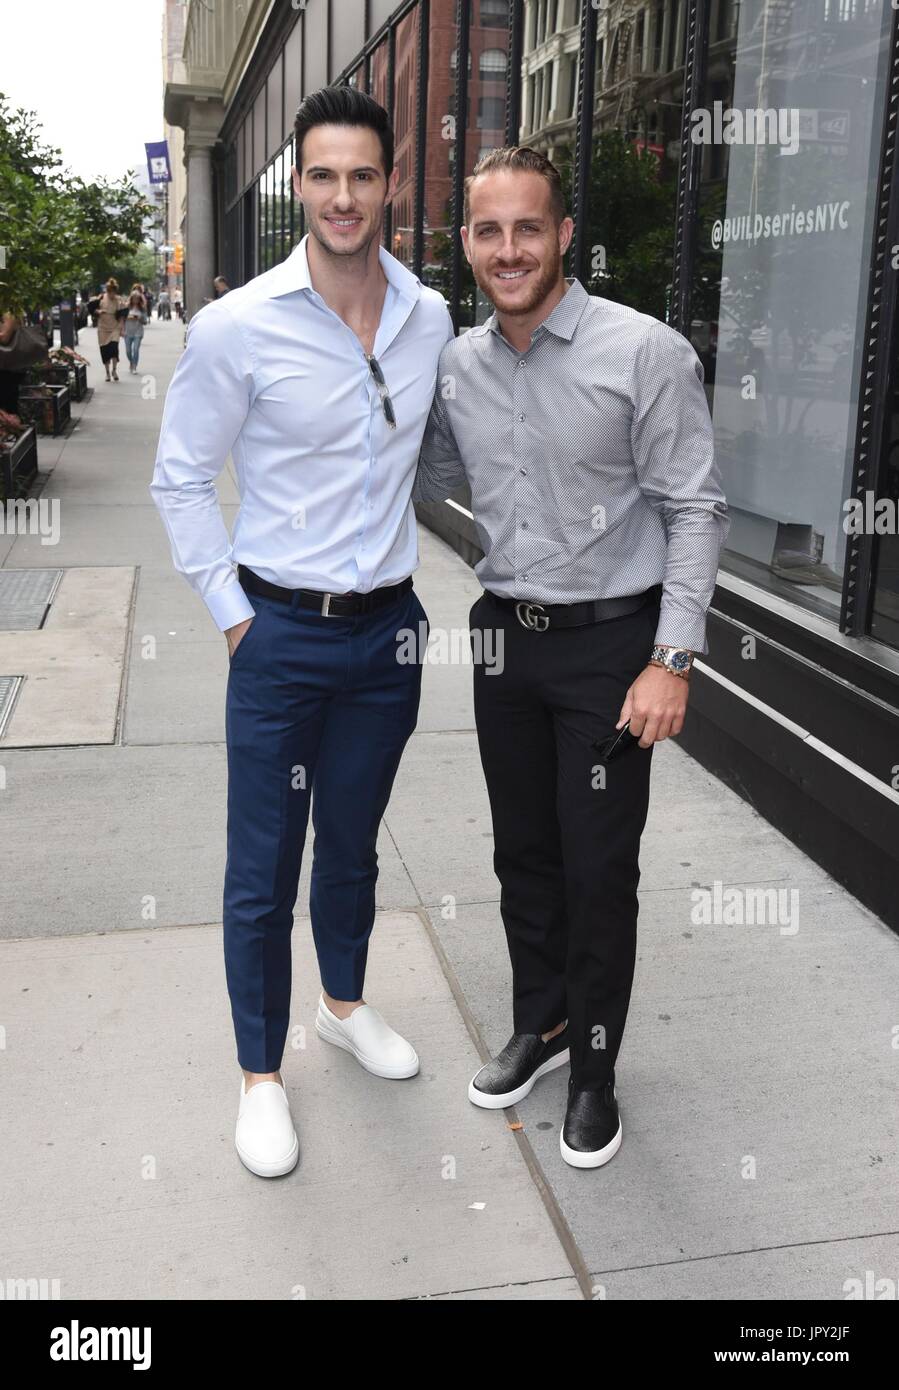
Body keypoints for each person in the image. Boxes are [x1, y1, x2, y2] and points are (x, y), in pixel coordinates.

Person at [150, 86, 454, 1180]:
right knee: (263, 866)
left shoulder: (428, 316)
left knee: (355, 845)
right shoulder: (237, 326)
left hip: (389, 638)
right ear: (296, 184)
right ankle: (260, 1076)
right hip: (279, 635)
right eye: (321, 175)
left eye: (362, 176)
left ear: (388, 184)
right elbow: (179, 479)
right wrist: (236, 621)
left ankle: (342, 1004)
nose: (342, 195)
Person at [413, 146, 730, 1169]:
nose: (507, 249)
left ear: (560, 235)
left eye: (526, 228)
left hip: (610, 650)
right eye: (486, 231)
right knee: (524, 856)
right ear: (466, 244)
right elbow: (431, 469)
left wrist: (670, 658)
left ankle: (594, 1070)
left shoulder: (642, 352)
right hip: (505, 637)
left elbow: (694, 508)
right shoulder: (456, 364)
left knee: (596, 872)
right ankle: (541, 1024)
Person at [96, 277, 126, 381]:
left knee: (114, 349)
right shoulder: (100, 298)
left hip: (114, 328)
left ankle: (114, 370)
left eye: (114, 292)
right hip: (103, 328)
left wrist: (122, 328)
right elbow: (93, 309)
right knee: (105, 351)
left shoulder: (119, 300)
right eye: (110, 293)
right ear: (107, 291)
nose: (112, 295)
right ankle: (107, 373)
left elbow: (122, 314)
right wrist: (98, 312)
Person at [123, 290, 147, 373]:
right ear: (131, 299)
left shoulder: (142, 308)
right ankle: (131, 362)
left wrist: (139, 318)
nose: (135, 300)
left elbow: (145, 321)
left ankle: (134, 366)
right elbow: (121, 319)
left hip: (138, 332)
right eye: (134, 298)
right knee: (128, 351)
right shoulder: (126, 307)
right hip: (127, 331)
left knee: (136, 350)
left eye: (137, 299)